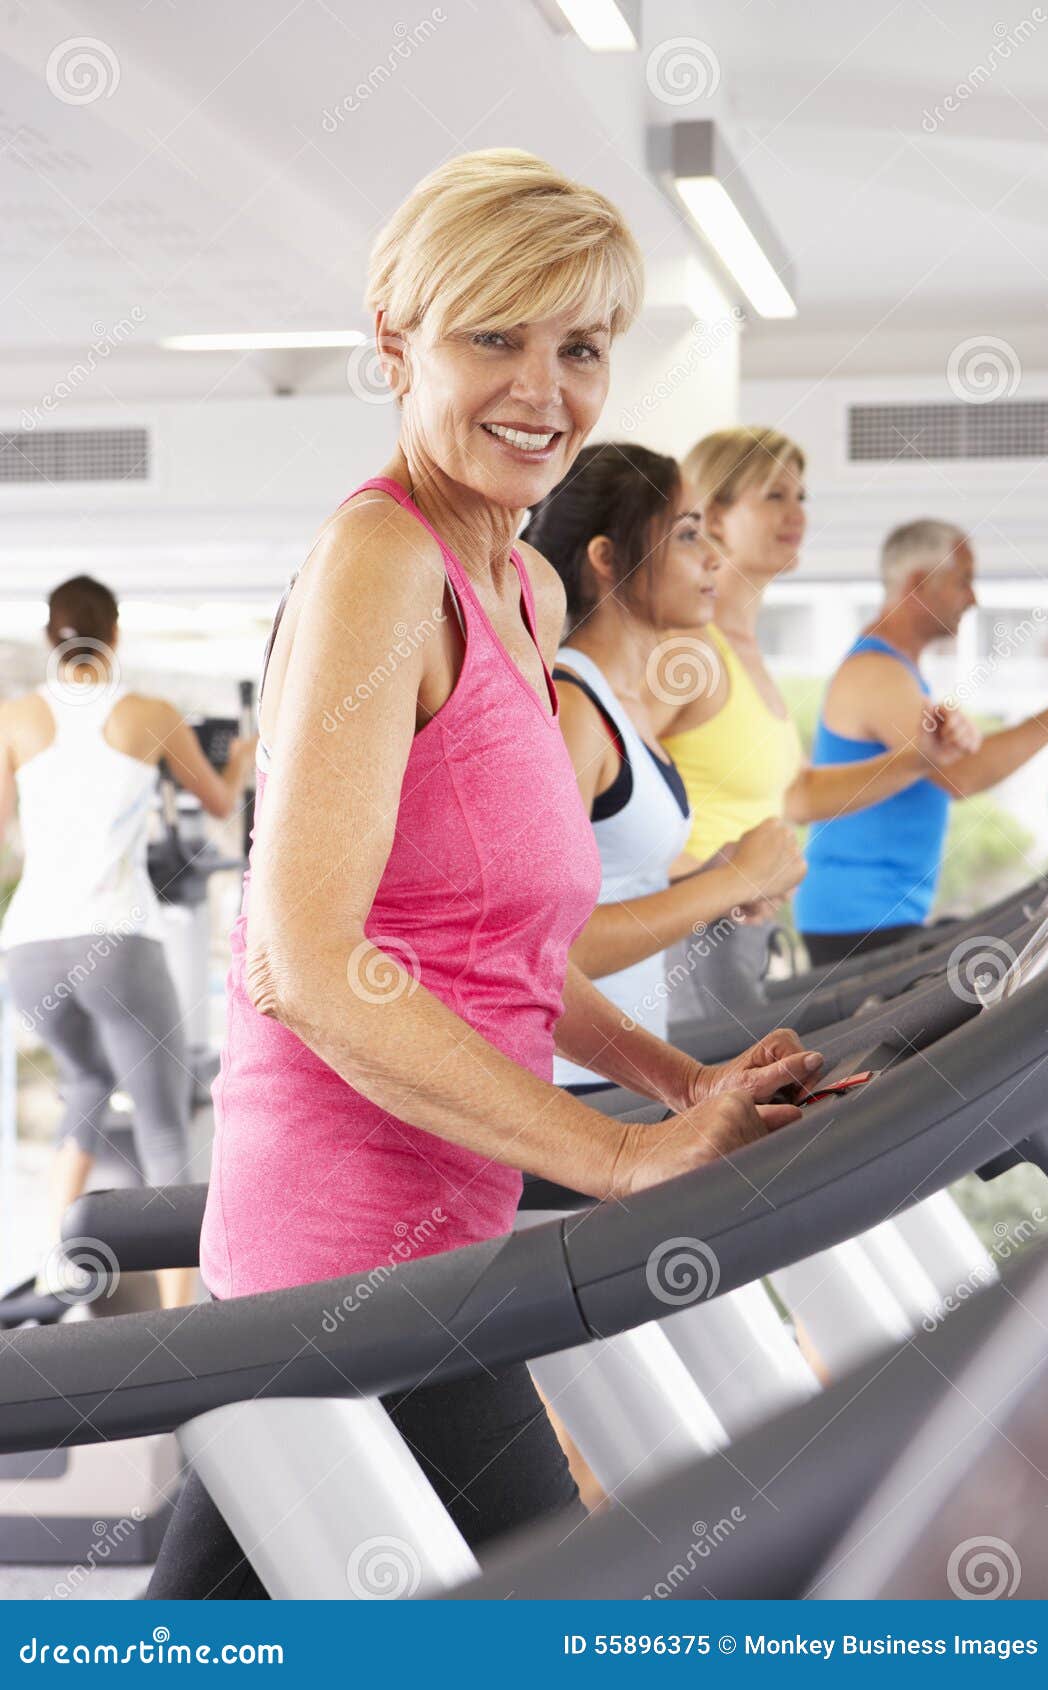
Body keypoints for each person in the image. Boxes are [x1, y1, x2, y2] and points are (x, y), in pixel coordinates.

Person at [147, 150, 823, 1600]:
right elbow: (306, 960)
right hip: (339, 1262)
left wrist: (667, 1084)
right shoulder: (376, 559)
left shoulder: (517, 581)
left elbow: (501, 944)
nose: (542, 388)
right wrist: (614, 1158)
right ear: (394, 348)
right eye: (491, 336)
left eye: (577, 347)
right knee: (554, 1605)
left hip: (446, 1228)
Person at [658, 428, 974, 1024]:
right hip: (689, 936)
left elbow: (797, 795)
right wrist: (712, 877)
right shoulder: (684, 651)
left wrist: (917, 756)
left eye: (801, 498)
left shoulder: (747, 651)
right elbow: (596, 810)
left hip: (745, 929)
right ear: (715, 515)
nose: (797, 514)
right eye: (775, 496)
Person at [0, 574, 256, 1311]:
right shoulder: (149, 712)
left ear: (53, 634)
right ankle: (179, 1323)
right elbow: (215, 802)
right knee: (162, 1122)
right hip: (117, 941)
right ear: (113, 635)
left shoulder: (16, 718)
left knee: (82, 1090)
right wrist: (239, 757)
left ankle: (59, 1274)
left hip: (31, 948)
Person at [522, 441, 805, 1093]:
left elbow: (613, 885)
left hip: (623, 1070)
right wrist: (728, 881)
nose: (713, 557)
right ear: (605, 559)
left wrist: (711, 879)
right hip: (567, 1085)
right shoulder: (572, 708)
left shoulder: (621, 704)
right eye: (686, 535)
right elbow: (546, 950)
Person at [795, 519, 1048, 964]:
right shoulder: (877, 673)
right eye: (963, 581)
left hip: (874, 917)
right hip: (857, 922)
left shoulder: (899, 671)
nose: (974, 599)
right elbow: (960, 775)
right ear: (919, 584)